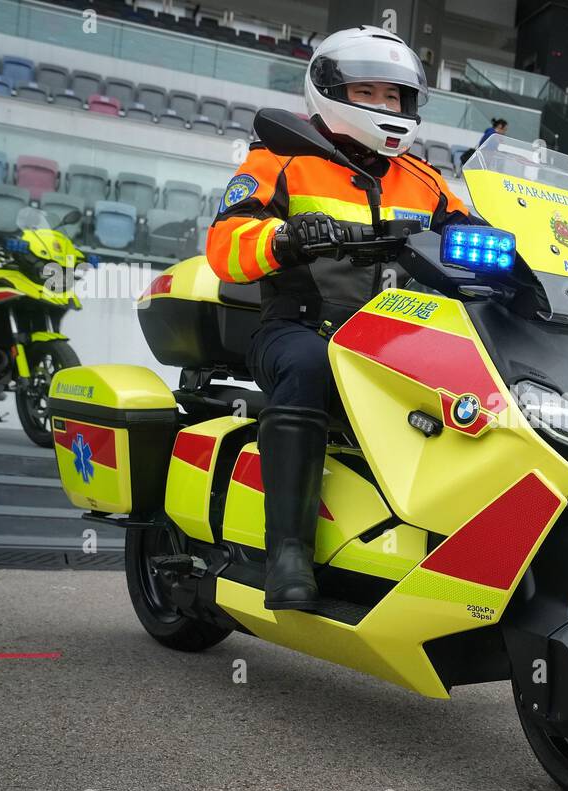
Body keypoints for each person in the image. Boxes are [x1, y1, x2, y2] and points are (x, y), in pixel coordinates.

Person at [206, 25, 470, 610]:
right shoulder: (279, 159)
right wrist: (287, 237)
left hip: (394, 338)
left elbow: (477, 237)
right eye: (370, 93)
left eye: (395, 97)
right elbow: (224, 246)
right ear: (330, 90)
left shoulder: (423, 180)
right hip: (298, 327)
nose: (386, 107)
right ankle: (288, 553)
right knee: (310, 366)